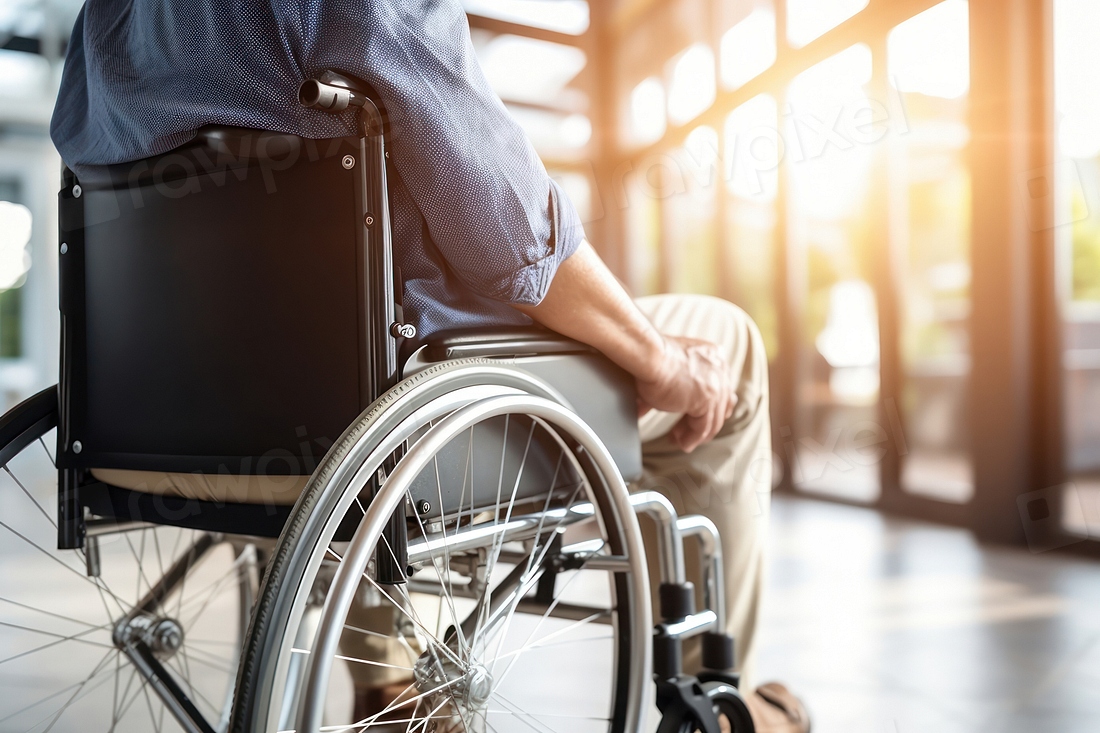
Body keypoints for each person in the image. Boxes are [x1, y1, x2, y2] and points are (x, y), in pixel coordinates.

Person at [51, 0, 809, 730]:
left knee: (356, 367)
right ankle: (725, 702)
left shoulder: (104, 22)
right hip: (372, 418)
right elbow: (512, 238)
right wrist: (661, 358)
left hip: (154, 433)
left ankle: (389, 685)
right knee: (727, 345)